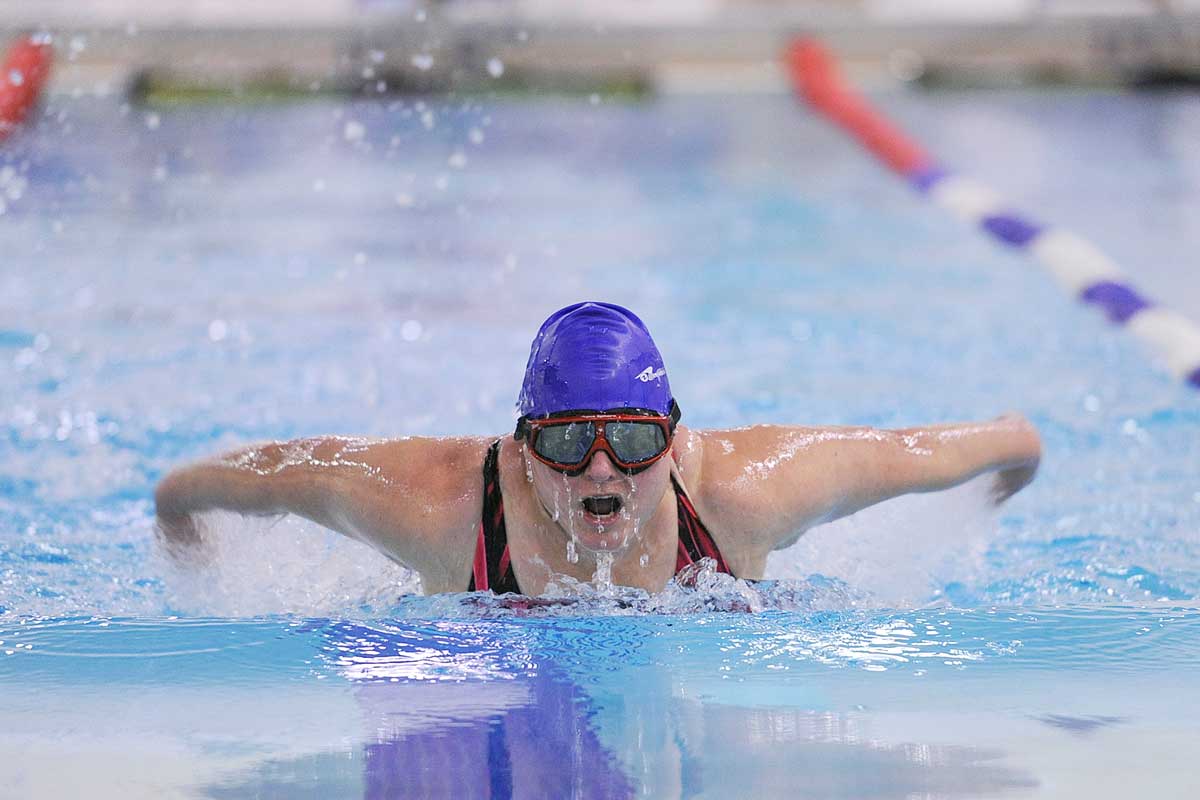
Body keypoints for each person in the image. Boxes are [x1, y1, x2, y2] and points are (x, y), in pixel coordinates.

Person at [155, 301, 1041, 596]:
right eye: (572, 442)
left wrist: (999, 486)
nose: (603, 470)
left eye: (632, 440)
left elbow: (964, 447)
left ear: (674, 435)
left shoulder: (748, 493)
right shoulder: (436, 506)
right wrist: (187, 552)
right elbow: (233, 482)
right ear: (523, 445)